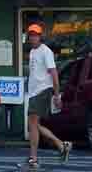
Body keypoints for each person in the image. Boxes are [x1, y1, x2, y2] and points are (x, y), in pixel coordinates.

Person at [25, 24, 72, 169]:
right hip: (33, 93)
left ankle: (33, 159)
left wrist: (57, 96)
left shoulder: (46, 52)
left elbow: (54, 74)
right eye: (31, 35)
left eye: (36, 35)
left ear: (40, 36)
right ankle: (61, 145)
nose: (33, 37)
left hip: (43, 90)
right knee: (33, 125)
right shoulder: (33, 52)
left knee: (32, 123)